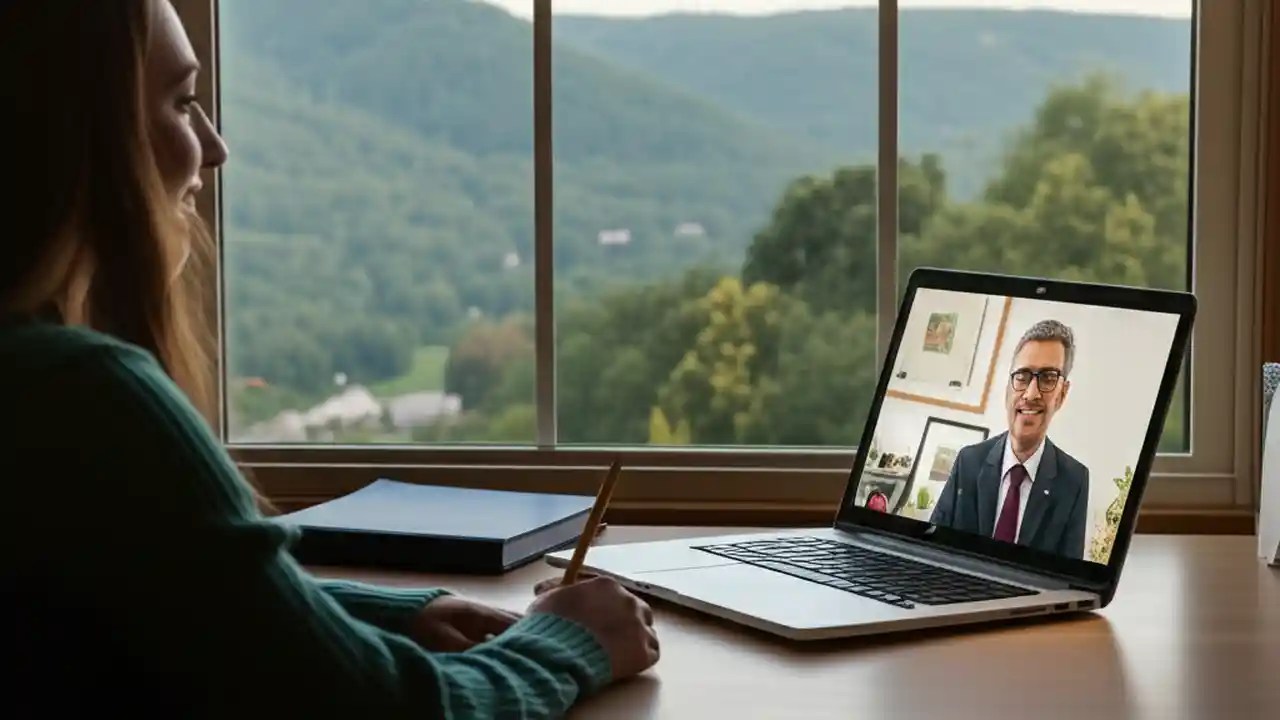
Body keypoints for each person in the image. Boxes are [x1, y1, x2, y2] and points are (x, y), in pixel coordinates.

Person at [0, 1, 657, 716]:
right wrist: (567, 641)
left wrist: (366, 615)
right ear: (73, 136)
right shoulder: (81, 396)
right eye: (182, 102)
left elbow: (128, 589)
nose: (214, 148)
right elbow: (396, 710)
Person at [929, 320, 1090, 559]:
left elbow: (1067, 581)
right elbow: (931, 548)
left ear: (1062, 394)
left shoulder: (1074, 481)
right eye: (1023, 376)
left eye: (1047, 378)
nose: (1031, 393)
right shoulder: (968, 461)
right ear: (1008, 388)